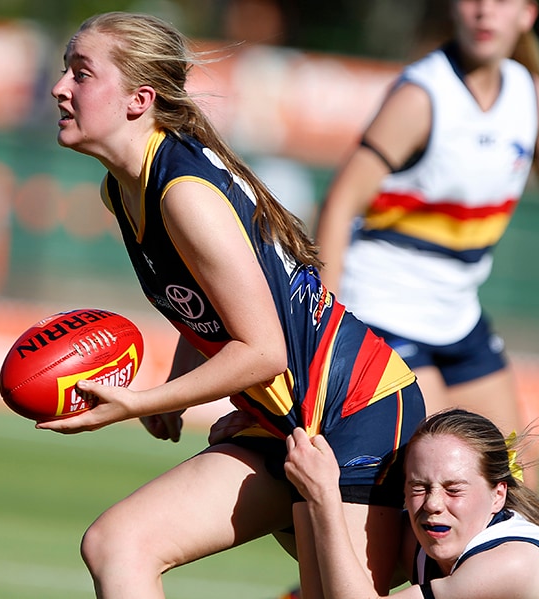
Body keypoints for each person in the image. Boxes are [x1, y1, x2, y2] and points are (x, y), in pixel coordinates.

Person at [37, 12, 426, 599]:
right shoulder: (126, 185)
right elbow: (203, 302)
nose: (60, 87)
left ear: (138, 99)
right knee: (119, 544)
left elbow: (265, 351)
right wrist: (177, 379)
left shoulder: (183, 194)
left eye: (82, 73)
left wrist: (141, 401)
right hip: (286, 422)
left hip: (356, 410)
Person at [313, 0, 539, 451]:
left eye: (500, 1)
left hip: (458, 318)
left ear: (527, 14)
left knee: (517, 478)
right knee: (430, 470)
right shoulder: (422, 95)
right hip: (383, 310)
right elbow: (340, 202)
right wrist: (326, 320)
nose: (484, 12)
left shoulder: (533, 98)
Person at [284, 408, 539, 599]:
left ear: (498, 493)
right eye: (419, 486)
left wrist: (323, 499)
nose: (432, 505)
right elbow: (334, 569)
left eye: (454, 489)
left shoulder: (510, 562)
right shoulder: (423, 543)